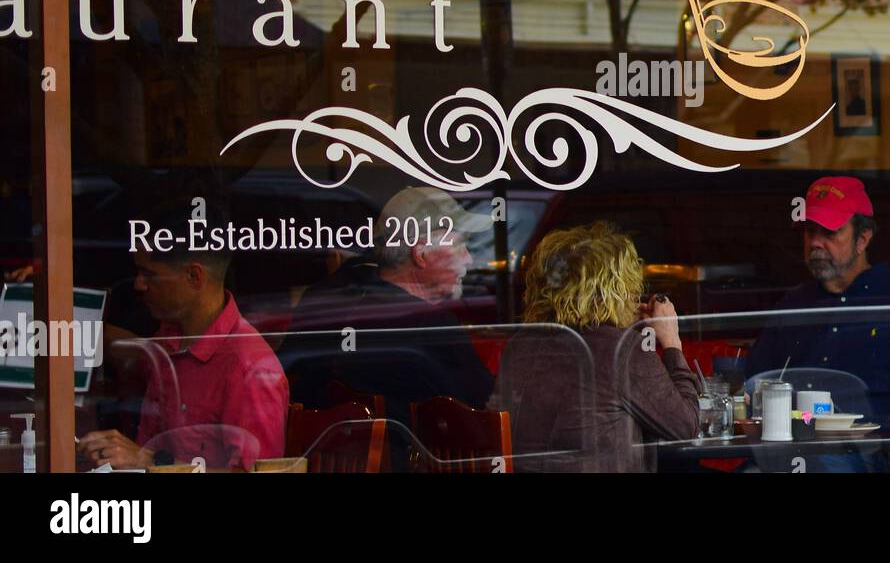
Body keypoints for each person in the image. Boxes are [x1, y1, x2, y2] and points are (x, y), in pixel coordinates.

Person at [77, 208, 288, 471]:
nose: (139, 285)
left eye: (150, 274)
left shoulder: (250, 370)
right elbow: (124, 350)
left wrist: (148, 460)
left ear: (194, 276)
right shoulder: (168, 340)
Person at [285, 187, 495, 444]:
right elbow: (486, 415)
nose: (469, 259)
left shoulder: (326, 302)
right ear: (422, 253)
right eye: (461, 245)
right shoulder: (429, 326)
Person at [489, 222, 700, 472]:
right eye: (630, 285)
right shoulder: (622, 349)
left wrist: (619, 324)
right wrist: (672, 342)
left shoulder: (521, 344)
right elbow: (685, 427)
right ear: (616, 289)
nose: (635, 293)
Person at [745, 176, 890, 433]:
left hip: (871, 451)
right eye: (810, 231)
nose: (815, 243)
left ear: (862, 239)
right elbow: (755, 384)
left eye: (829, 232)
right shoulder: (794, 304)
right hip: (791, 446)